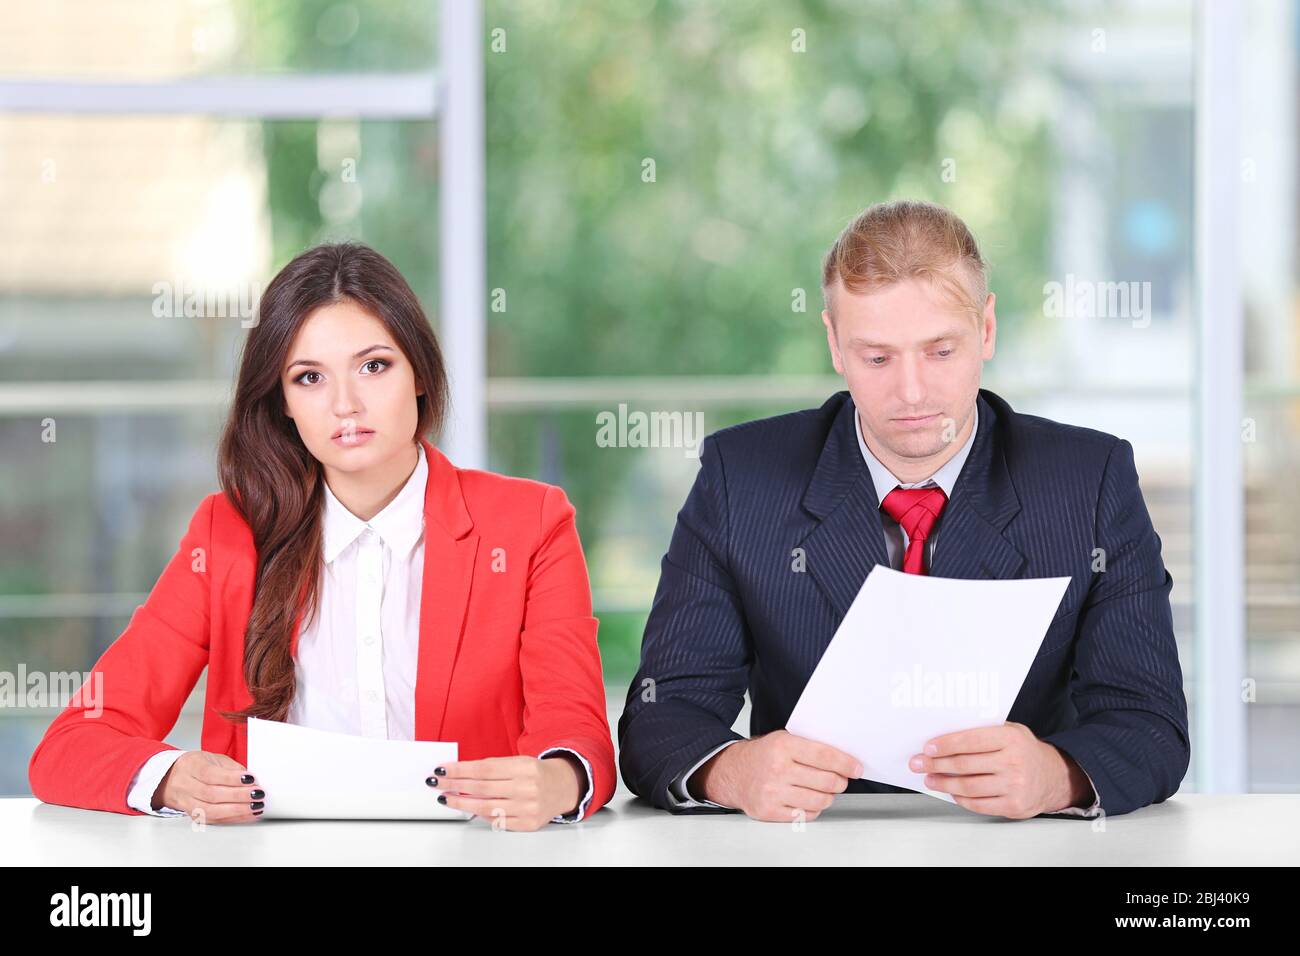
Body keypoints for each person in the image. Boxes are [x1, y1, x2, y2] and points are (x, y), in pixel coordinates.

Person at [618, 199, 1189, 822]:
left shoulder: (1088, 481)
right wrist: (733, 771)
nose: (912, 393)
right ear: (834, 343)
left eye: (940, 351)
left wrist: (1060, 776)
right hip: (813, 841)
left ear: (987, 330)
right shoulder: (741, 480)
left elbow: (1149, 722)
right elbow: (659, 717)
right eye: (878, 357)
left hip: (1016, 844)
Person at [29, 242, 615, 830]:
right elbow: (71, 744)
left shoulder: (530, 523)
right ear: (281, 401)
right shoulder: (227, 535)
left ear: (419, 373)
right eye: (309, 377)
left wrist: (555, 780)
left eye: (374, 366)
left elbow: (576, 735)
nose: (345, 404)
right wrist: (171, 777)